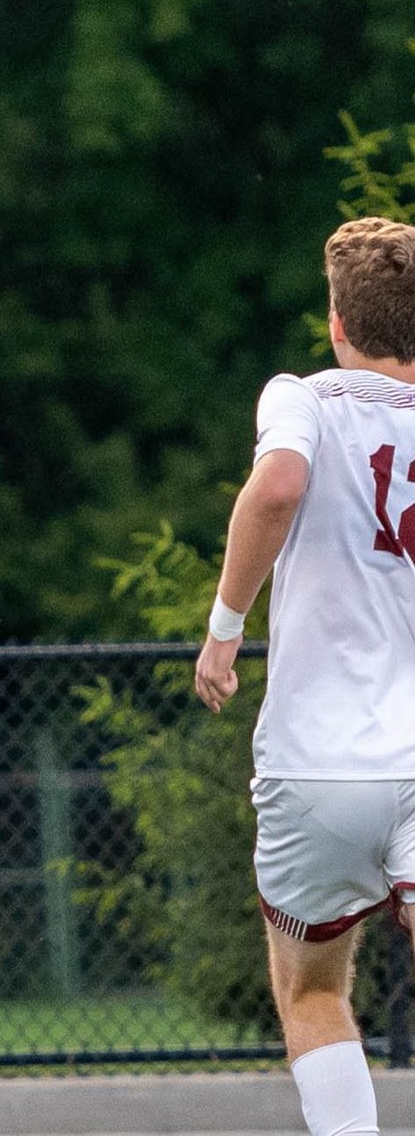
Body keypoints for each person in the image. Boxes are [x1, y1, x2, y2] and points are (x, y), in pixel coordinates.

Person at [194, 217, 415, 1136]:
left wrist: (224, 630)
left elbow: (278, 487)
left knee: (313, 987)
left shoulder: (305, 397)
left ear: (337, 320)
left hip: (317, 762)